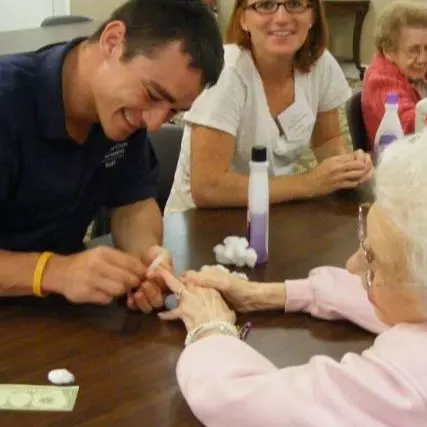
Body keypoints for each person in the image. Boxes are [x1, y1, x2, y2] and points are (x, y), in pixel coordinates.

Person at [158, 132, 427, 426]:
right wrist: (261, 294)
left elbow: (238, 403)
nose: (353, 266)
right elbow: (406, 302)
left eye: (374, 260)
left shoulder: (409, 378)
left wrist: (209, 327)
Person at [0, 0, 223, 313]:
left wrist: (147, 258)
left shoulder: (122, 114)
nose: (155, 123)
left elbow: (133, 203)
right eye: (153, 95)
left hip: (58, 315)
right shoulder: (8, 101)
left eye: (173, 111)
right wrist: (55, 272)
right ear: (113, 41)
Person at [165, 0, 372, 214]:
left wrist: (346, 167)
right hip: (201, 224)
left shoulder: (320, 65)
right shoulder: (226, 73)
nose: (282, 18)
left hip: (273, 212)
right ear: (243, 19)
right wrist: (311, 183)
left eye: (294, 4)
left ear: (312, 17)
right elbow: (208, 187)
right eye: (265, 5)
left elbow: (327, 140)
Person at [362, 1, 427, 148]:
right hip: (402, 160)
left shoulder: (409, 65)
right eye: (413, 50)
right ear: (389, 50)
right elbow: (411, 127)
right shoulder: (381, 81)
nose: (423, 58)